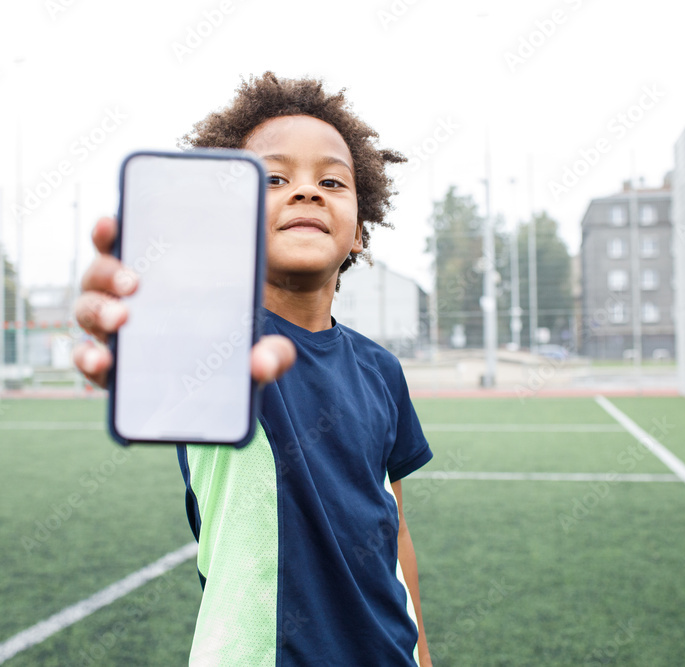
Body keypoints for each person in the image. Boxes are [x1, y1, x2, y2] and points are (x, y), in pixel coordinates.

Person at [73, 72, 434, 666]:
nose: (307, 192)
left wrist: (422, 657)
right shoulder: (219, 339)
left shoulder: (381, 368)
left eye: (332, 181)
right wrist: (131, 322)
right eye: (272, 179)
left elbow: (392, 526)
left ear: (360, 233)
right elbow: (167, 338)